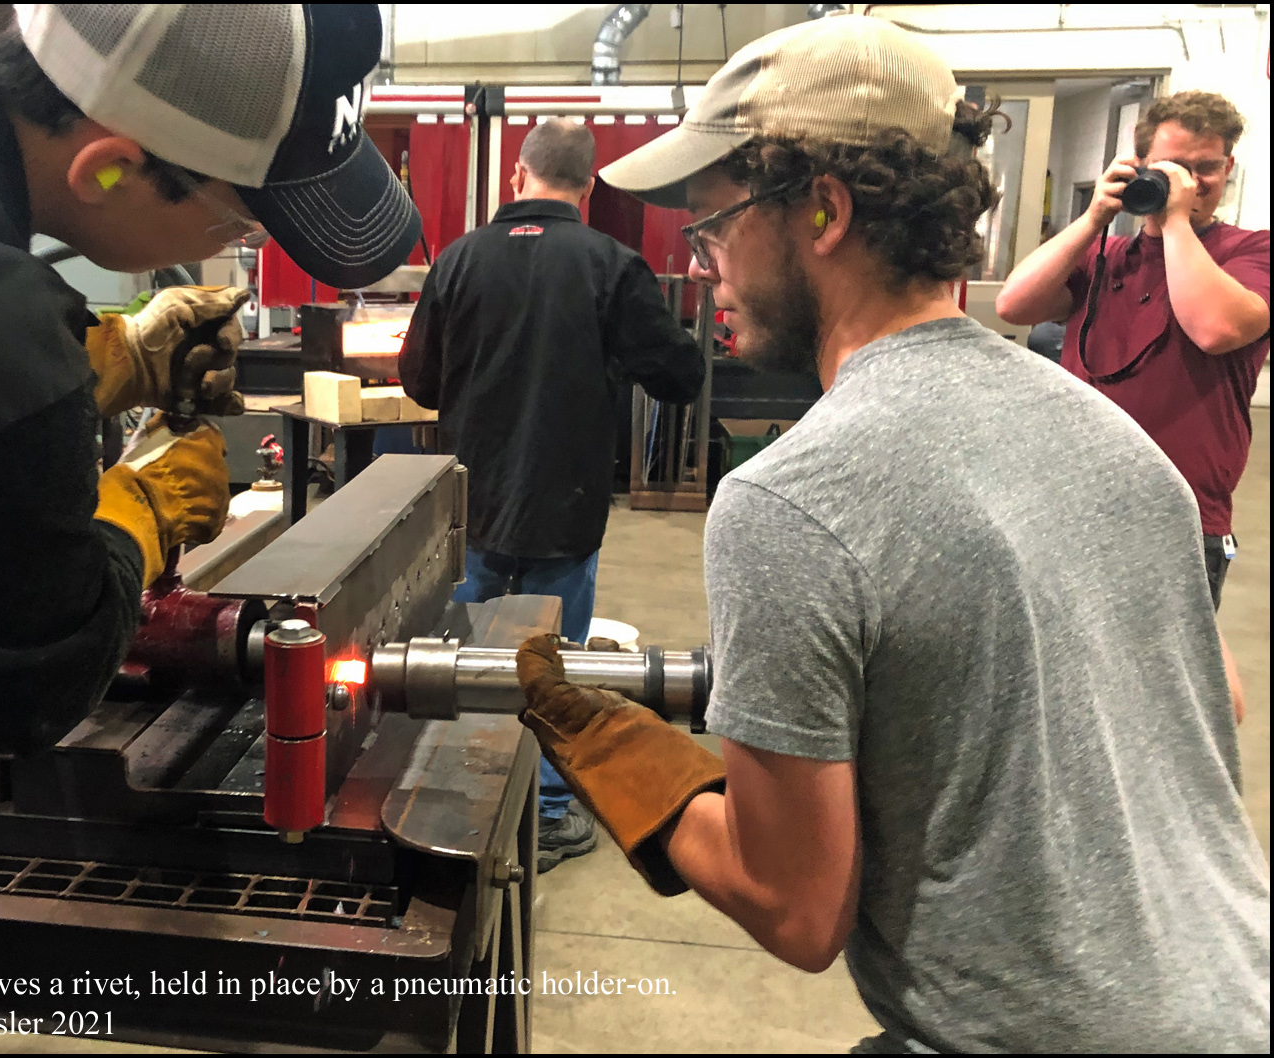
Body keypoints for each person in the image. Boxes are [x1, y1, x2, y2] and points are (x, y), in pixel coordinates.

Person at [513, 15, 1268, 1051]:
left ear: (821, 209)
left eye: (714, 225)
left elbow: (795, 907)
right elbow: (1212, 694)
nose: (708, 268)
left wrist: (625, 752)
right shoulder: (1115, 440)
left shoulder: (792, 500)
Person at [0, 4, 418, 1051]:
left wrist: (101, 353)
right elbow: (37, 670)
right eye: (240, 221)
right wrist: (140, 510)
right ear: (108, 167)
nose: (239, 251)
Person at [399, 118, 704, 871]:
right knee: (552, 659)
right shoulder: (612, 265)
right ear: (588, 186)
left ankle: (455, 794)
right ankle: (551, 809)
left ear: (516, 175)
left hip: (474, 502)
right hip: (565, 504)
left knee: (462, 650)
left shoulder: (461, 260)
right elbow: (678, 376)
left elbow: (419, 380)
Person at [997, 91, 1269, 619]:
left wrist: (1176, 221)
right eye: (1175, 169)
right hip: (1073, 502)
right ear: (1140, 168)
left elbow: (1214, 329)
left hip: (1180, 515)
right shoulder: (1108, 255)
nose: (1191, 182)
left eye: (1206, 168)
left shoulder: (1249, 252)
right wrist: (1095, 216)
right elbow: (1014, 304)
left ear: (1229, 166)